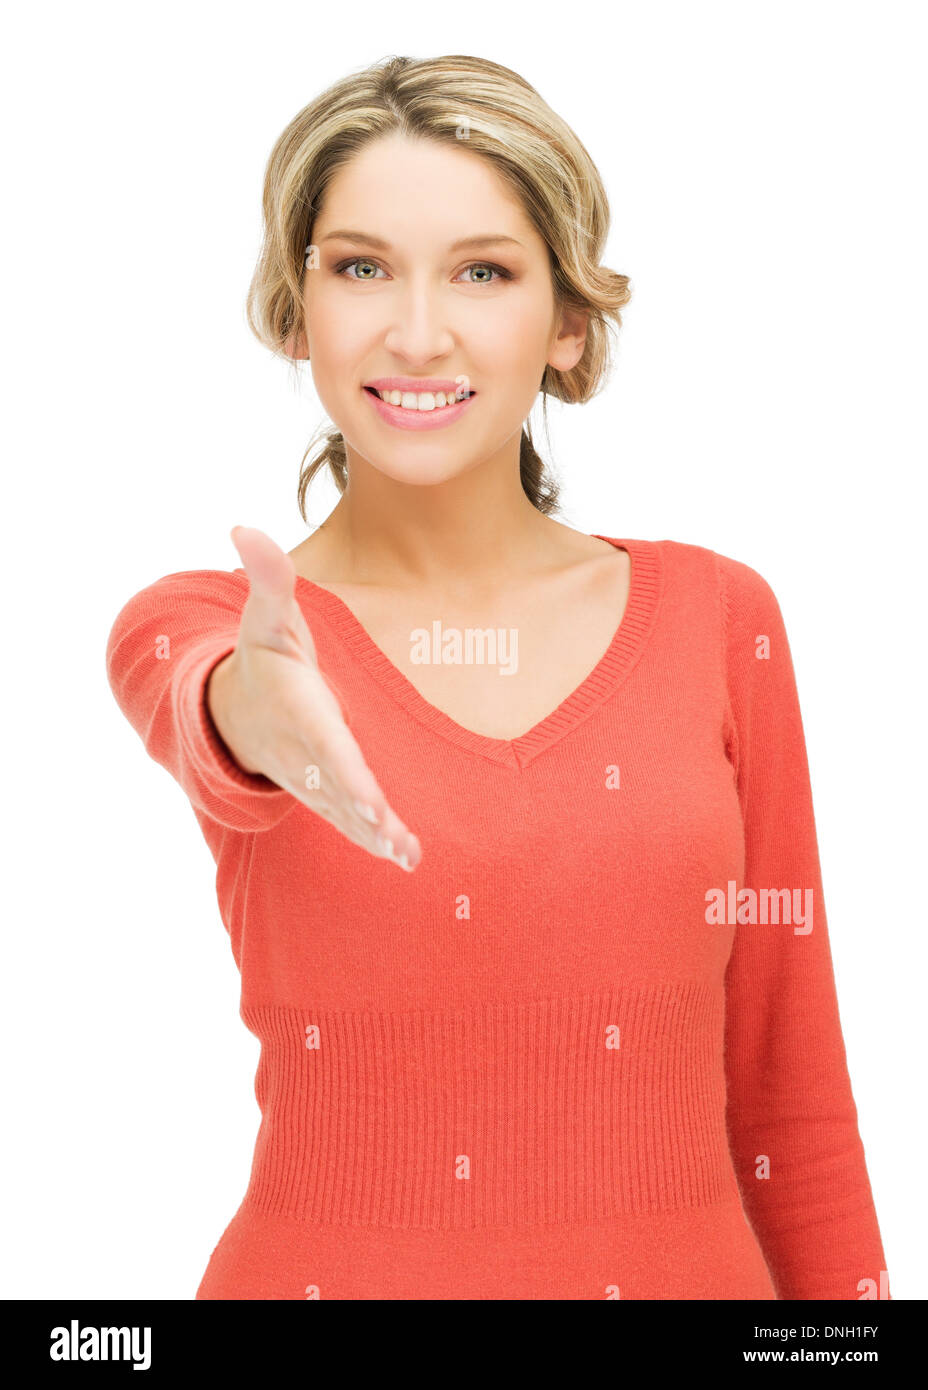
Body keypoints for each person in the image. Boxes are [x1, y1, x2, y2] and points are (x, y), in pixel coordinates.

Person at [105, 53, 889, 1300]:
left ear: (568, 322)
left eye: (484, 270)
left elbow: (791, 1096)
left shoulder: (719, 618)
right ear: (296, 309)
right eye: (360, 267)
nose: (418, 333)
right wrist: (250, 709)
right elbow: (203, 698)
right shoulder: (213, 626)